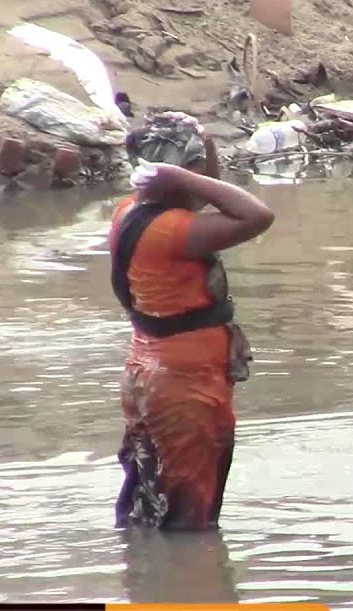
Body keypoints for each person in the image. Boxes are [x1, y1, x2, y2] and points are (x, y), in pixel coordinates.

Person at [110, 111, 274, 530]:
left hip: (149, 374)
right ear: (179, 176)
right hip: (183, 386)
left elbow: (210, 194)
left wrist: (199, 152)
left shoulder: (129, 211)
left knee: (148, 507)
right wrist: (182, 176)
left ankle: (149, 572)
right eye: (197, 166)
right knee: (191, 522)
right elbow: (257, 215)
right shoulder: (173, 230)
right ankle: (191, 574)